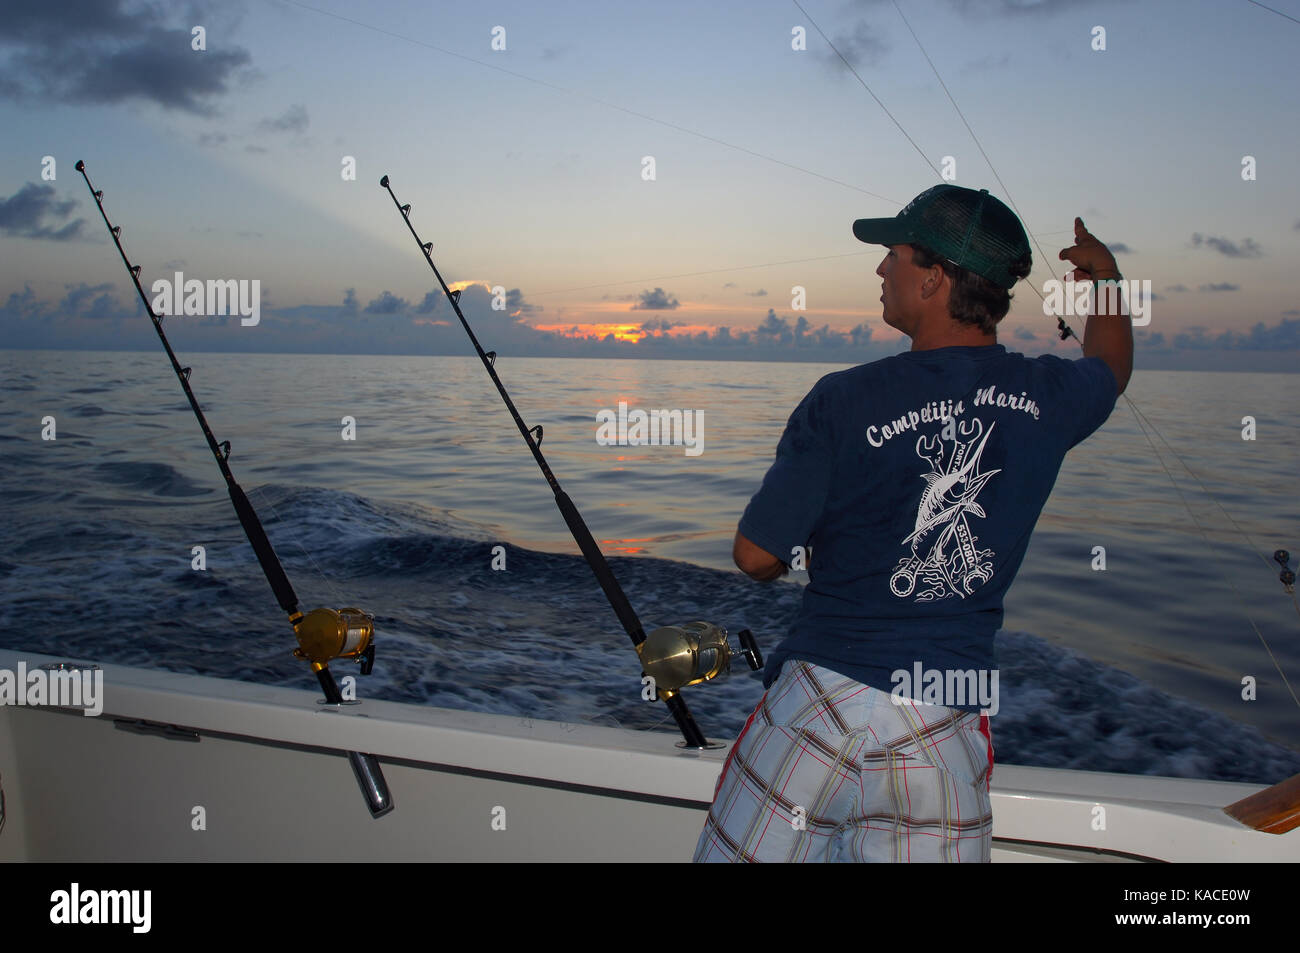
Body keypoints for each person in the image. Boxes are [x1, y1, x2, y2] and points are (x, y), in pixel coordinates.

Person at [693, 184, 1132, 863]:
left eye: (891, 253)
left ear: (932, 278)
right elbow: (1110, 365)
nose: (879, 269)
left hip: (821, 705)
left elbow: (754, 556)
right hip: (943, 726)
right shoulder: (1050, 397)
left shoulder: (842, 398)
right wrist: (1104, 281)